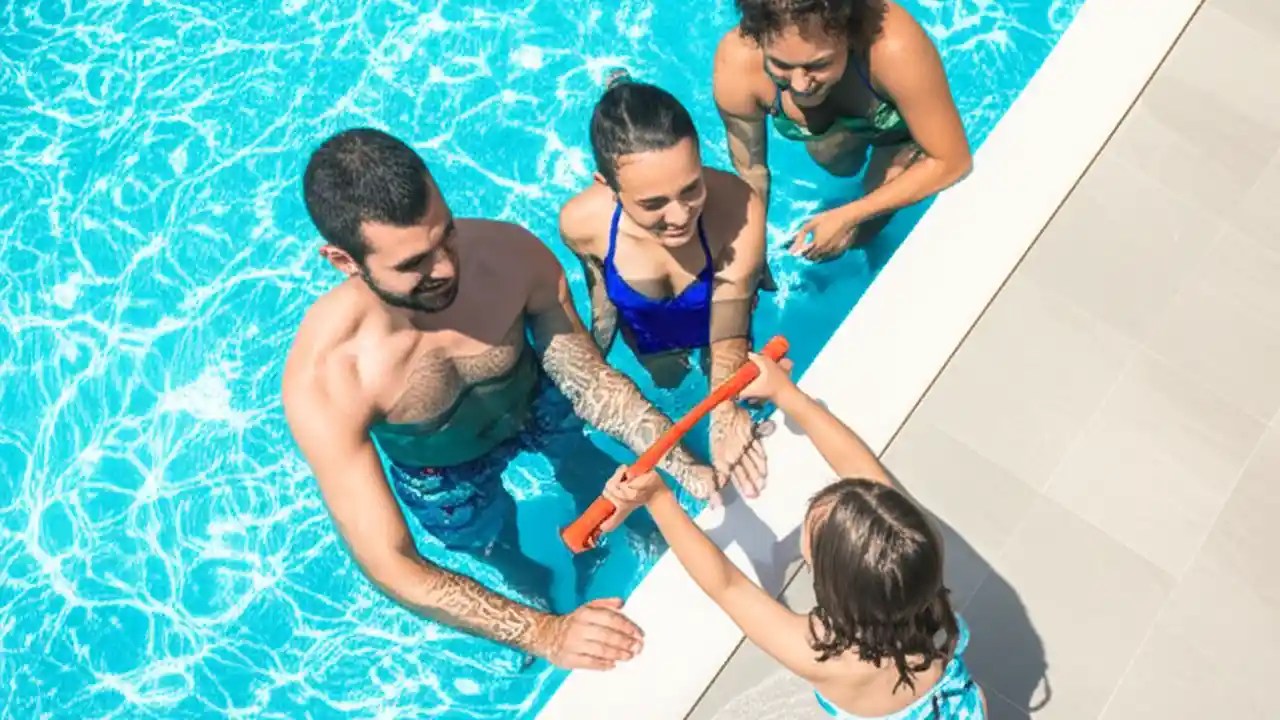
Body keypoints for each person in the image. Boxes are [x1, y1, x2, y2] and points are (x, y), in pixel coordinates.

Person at [282, 127, 721, 671]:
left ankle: (619, 527)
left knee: (585, 465)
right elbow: (390, 563)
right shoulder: (330, 377)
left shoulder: (509, 258)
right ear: (344, 262)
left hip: (532, 399)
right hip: (444, 472)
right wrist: (543, 633)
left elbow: (589, 382)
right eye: (413, 263)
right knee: (496, 545)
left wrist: (687, 464)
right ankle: (532, 584)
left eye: (446, 234)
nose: (444, 267)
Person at [603, 353, 987, 718]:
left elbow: (728, 587)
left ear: (831, 582)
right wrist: (789, 396)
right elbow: (864, 472)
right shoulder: (916, 565)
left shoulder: (827, 656)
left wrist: (657, 500)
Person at [559, 72, 770, 499]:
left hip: (719, 316)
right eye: (653, 204)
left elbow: (728, 327)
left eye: (691, 189)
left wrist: (724, 412)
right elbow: (601, 293)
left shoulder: (737, 205)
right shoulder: (583, 225)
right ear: (610, 189)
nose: (679, 216)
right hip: (648, 329)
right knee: (669, 380)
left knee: (729, 384)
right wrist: (596, 355)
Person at [714, 0, 973, 260]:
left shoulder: (892, 48)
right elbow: (752, 171)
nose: (800, 85)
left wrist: (850, 216)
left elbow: (953, 161)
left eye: (818, 65)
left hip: (896, 136)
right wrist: (752, 251)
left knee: (863, 231)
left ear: (850, 35)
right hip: (835, 134)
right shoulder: (738, 68)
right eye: (780, 65)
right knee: (836, 163)